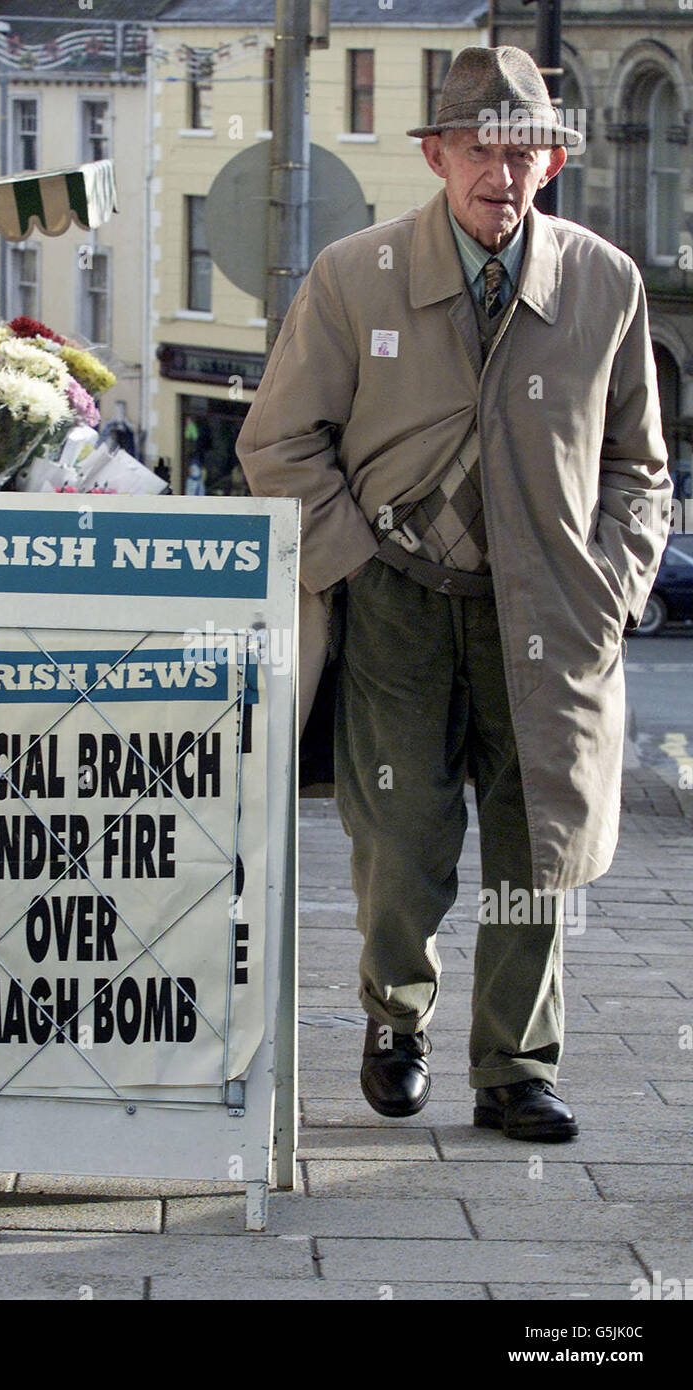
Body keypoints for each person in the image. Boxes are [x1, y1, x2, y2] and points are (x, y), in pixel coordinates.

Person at [235, 46, 671, 1142]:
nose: (501, 172)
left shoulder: (604, 286)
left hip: (549, 612)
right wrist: (353, 562)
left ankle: (518, 1066)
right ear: (435, 155)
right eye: (479, 147)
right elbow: (281, 441)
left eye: (523, 150)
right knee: (399, 841)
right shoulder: (353, 276)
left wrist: (612, 582)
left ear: (553, 162)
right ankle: (396, 1021)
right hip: (401, 602)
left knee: (538, 847)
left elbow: (640, 467)